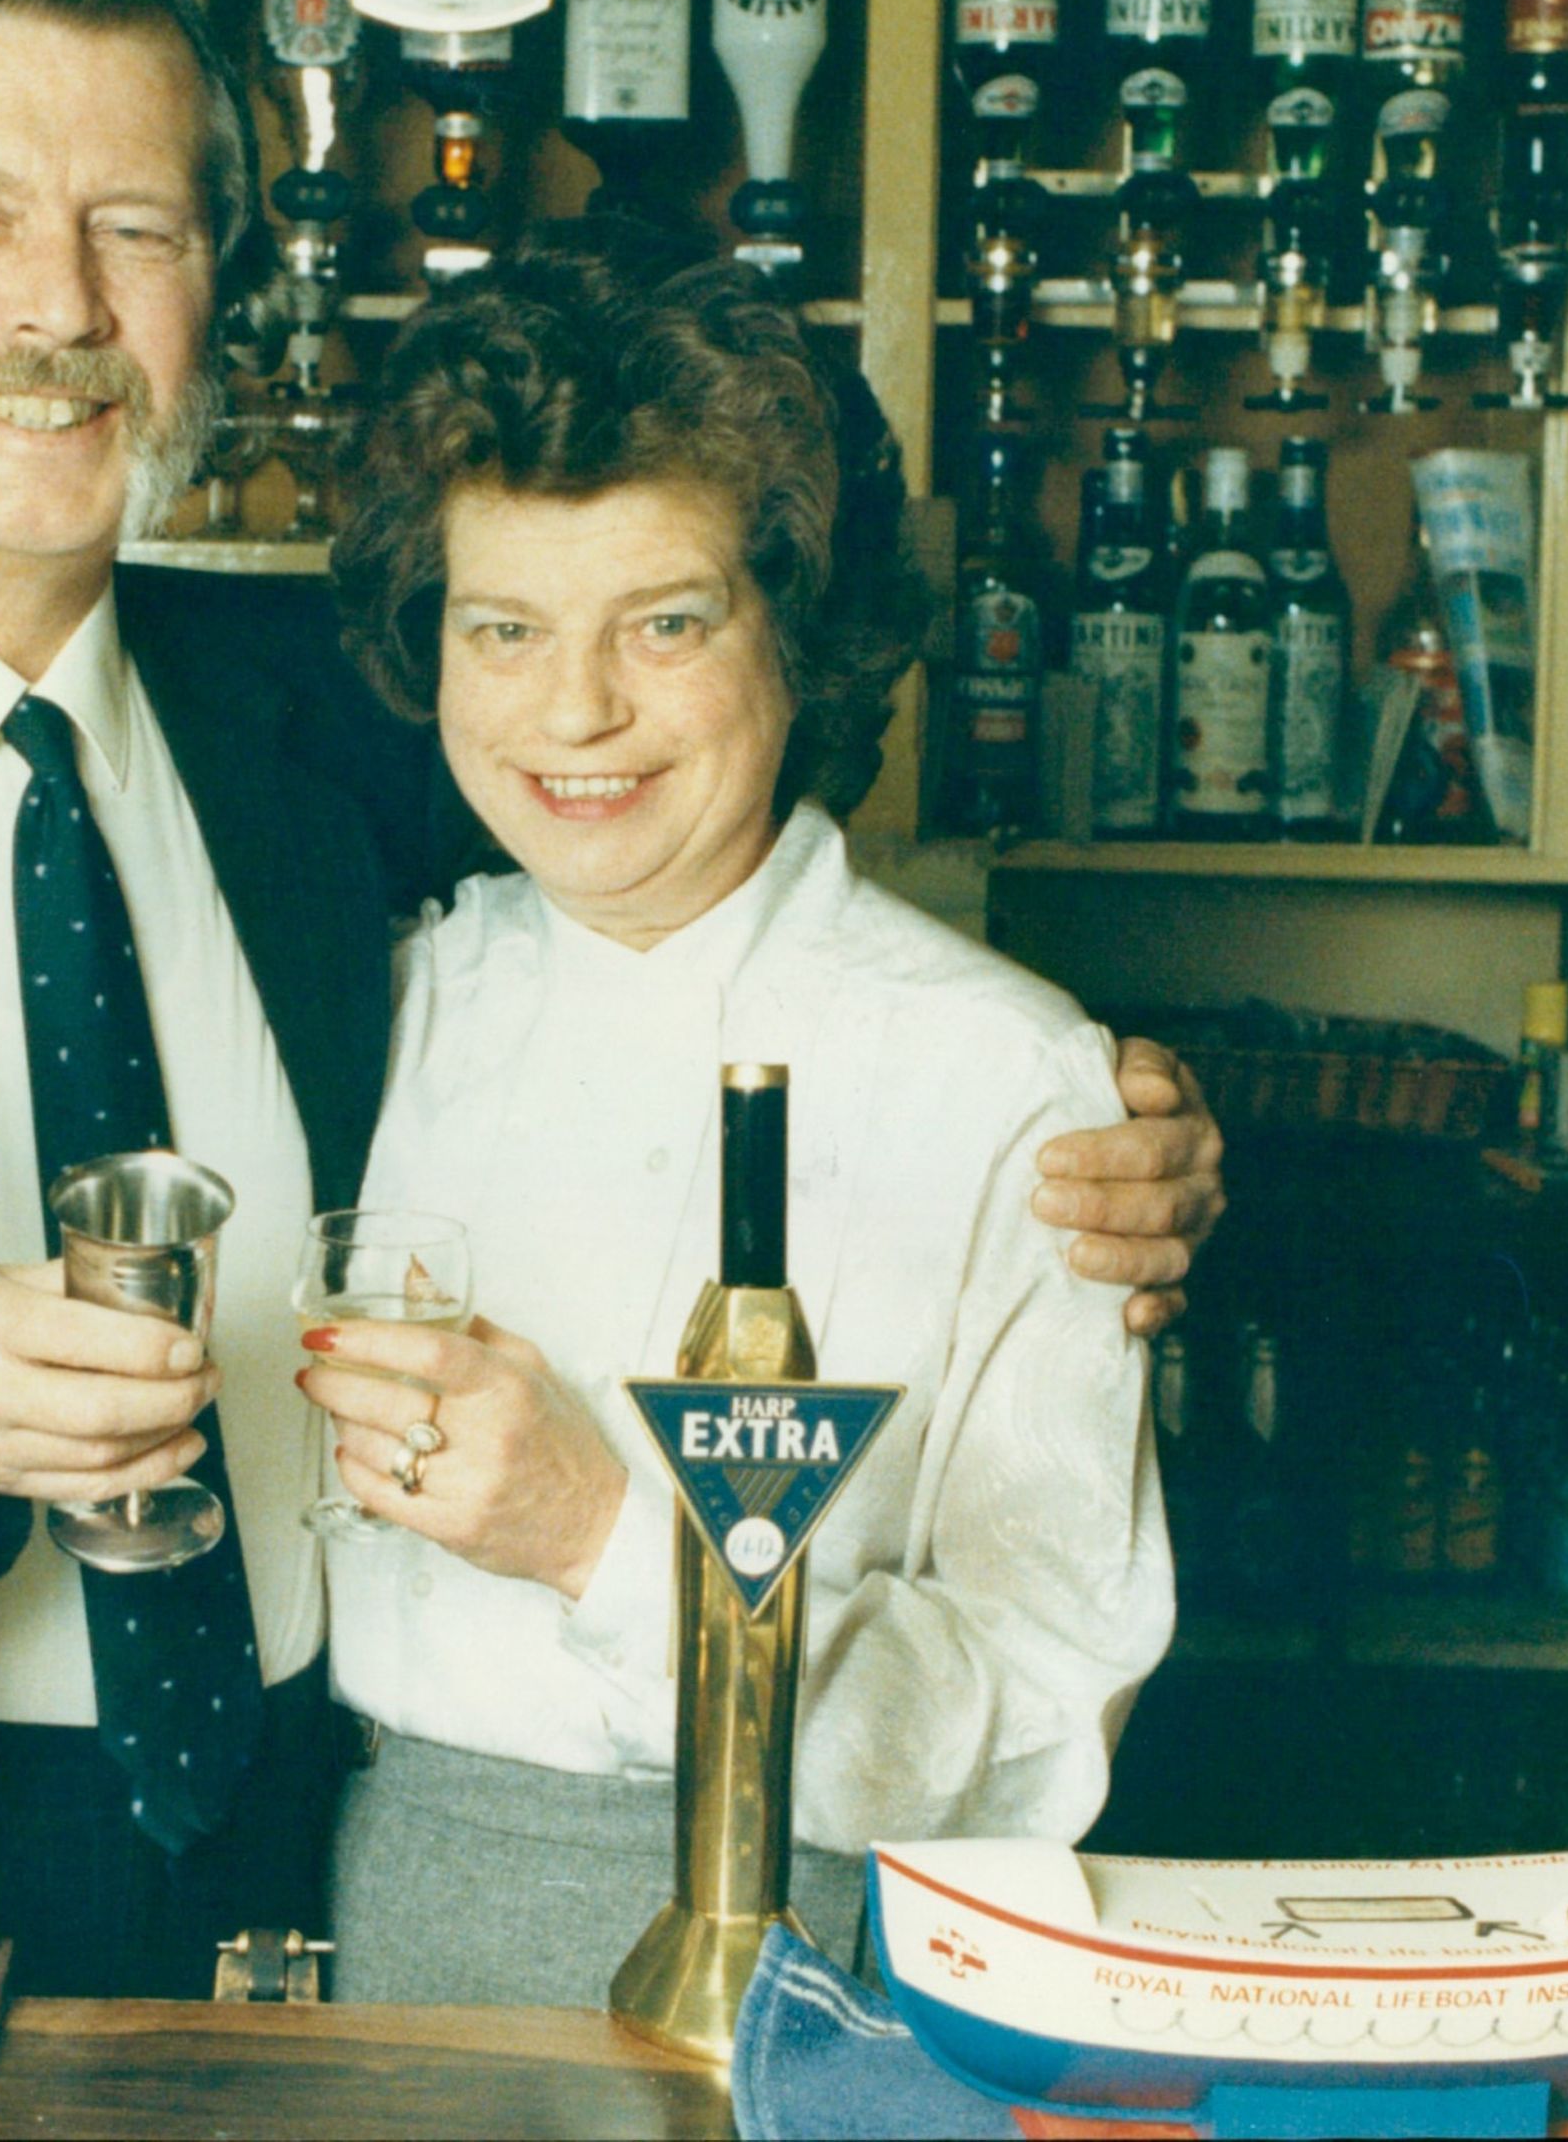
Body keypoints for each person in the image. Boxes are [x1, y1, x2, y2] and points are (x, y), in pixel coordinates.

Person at [0, 0, 1220, 2002]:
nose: (57, 307)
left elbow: (700, 877)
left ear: (219, 287)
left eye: (136, 226)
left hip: (318, 1881)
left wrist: (1103, 1117)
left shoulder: (360, 714)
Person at [304, 238, 1177, 2004]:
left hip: (835, 1951)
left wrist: (599, 1535)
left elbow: (1037, 1725)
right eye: (506, 630)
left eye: (668, 622)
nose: (577, 711)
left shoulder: (1014, 1084)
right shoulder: (372, 1002)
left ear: (806, 639)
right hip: (396, 1905)